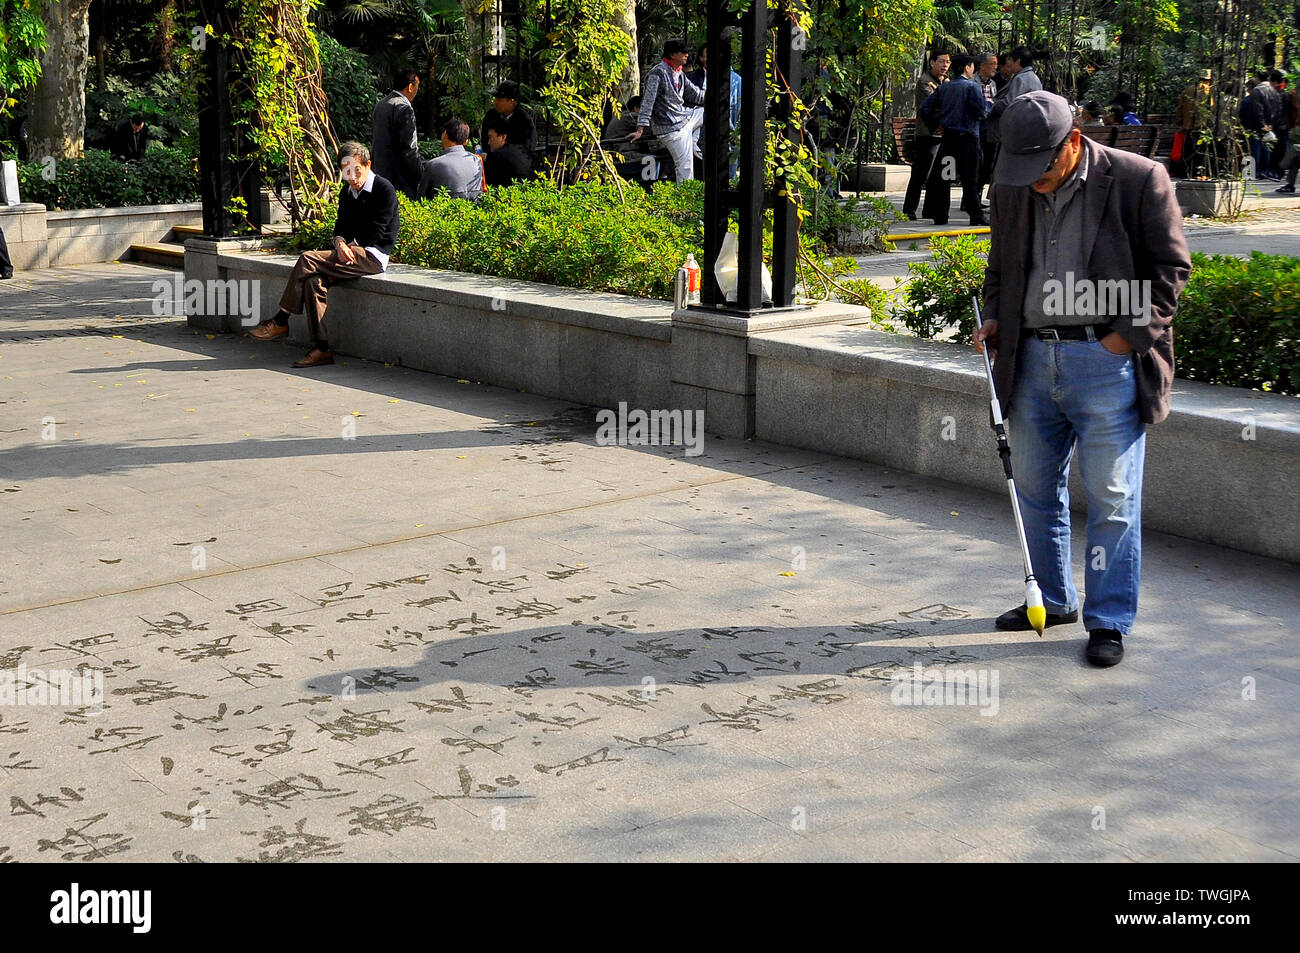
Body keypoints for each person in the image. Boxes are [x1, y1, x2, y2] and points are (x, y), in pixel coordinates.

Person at [974, 91, 1191, 668]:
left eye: (1042, 167)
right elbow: (1001, 265)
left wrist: (1120, 340)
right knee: (1037, 492)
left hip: (1108, 363)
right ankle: (1048, 599)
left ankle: (1109, 620)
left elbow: (1172, 270)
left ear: (1073, 141)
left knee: (1113, 499)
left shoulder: (1139, 179)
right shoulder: (1013, 186)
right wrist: (995, 316)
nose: (1034, 182)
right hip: (1030, 362)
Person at [248, 142, 399, 368]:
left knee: (308, 258)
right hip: (348, 254)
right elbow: (341, 227)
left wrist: (347, 246)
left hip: (372, 256)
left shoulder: (383, 189)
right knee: (313, 282)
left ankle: (281, 320)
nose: (353, 177)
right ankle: (322, 348)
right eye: (347, 172)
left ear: (368, 165)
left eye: (357, 170)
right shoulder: (347, 192)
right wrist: (339, 243)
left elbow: (376, 233)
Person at [920, 53, 990, 226]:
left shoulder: (945, 87)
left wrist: (936, 123)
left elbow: (926, 107)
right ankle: (975, 214)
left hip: (949, 140)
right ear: (967, 68)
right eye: (972, 66)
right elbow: (981, 111)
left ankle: (941, 214)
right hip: (968, 139)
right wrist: (990, 104)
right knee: (970, 178)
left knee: (946, 177)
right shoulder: (972, 87)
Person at [629, 39, 706, 183]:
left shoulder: (679, 72)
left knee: (707, 112)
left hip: (684, 118)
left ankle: (693, 142)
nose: (687, 55)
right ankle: (685, 200)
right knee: (685, 166)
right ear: (672, 54)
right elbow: (647, 101)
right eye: (683, 52)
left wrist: (719, 94)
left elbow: (696, 95)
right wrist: (640, 128)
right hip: (669, 126)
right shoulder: (657, 73)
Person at [901, 50, 950, 221]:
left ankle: (929, 209)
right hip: (927, 134)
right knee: (920, 174)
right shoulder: (925, 82)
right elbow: (933, 107)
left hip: (942, 135)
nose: (945, 65)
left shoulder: (947, 82)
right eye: (942, 61)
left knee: (938, 174)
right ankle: (909, 209)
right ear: (932, 62)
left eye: (947, 62)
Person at [372, 69, 421, 198]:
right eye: (417, 86)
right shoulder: (403, 107)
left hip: (379, 174)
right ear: (410, 87)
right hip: (400, 180)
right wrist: (419, 174)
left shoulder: (381, 104)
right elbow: (409, 149)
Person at [988, 46, 1042, 152]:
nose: (1010, 65)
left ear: (1018, 61)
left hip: (1015, 128)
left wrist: (990, 104)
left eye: (1011, 61)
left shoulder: (1020, 79)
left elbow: (1009, 104)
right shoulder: (1034, 78)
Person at [417, 118, 484, 201]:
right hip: (474, 212)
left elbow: (421, 200)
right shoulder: (476, 160)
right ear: (466, 141)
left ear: (445, 134)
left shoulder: (434, 165)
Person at [479, 80, 537, 171]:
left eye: (499, 100)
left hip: (515, 166)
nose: (495, 102)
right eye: (495, 99)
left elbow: (528, 146)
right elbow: (485, 140)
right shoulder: (490, 116)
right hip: (492, 164)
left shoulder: (524, 120)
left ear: (511, 101)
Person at [483, 115, 532, 186]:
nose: (489, 142)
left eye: (490, 137)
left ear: (503, 137)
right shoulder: (523, 151)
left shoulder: (496, 157)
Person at [977, 53, 1000, 195]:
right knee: (977, 164)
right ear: (982, 66)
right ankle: (970, 199)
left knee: (986, 164)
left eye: (996, 64)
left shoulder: (993, 84)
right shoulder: (973, 82)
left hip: (989, 128)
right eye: (992, 64)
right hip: (977, 127)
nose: (995, 67)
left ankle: (977, 196)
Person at [1269, 70, 1295, 176]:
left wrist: (1274, 124)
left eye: (1270, 79)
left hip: (1280, 126)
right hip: (1283, 125)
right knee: (1281, 148)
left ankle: (1279, 170)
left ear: (1274, 81)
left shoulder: (1280, 93)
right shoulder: (1284, 92)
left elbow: (1279, 111)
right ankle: (1278, 170)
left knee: (1280, 149)